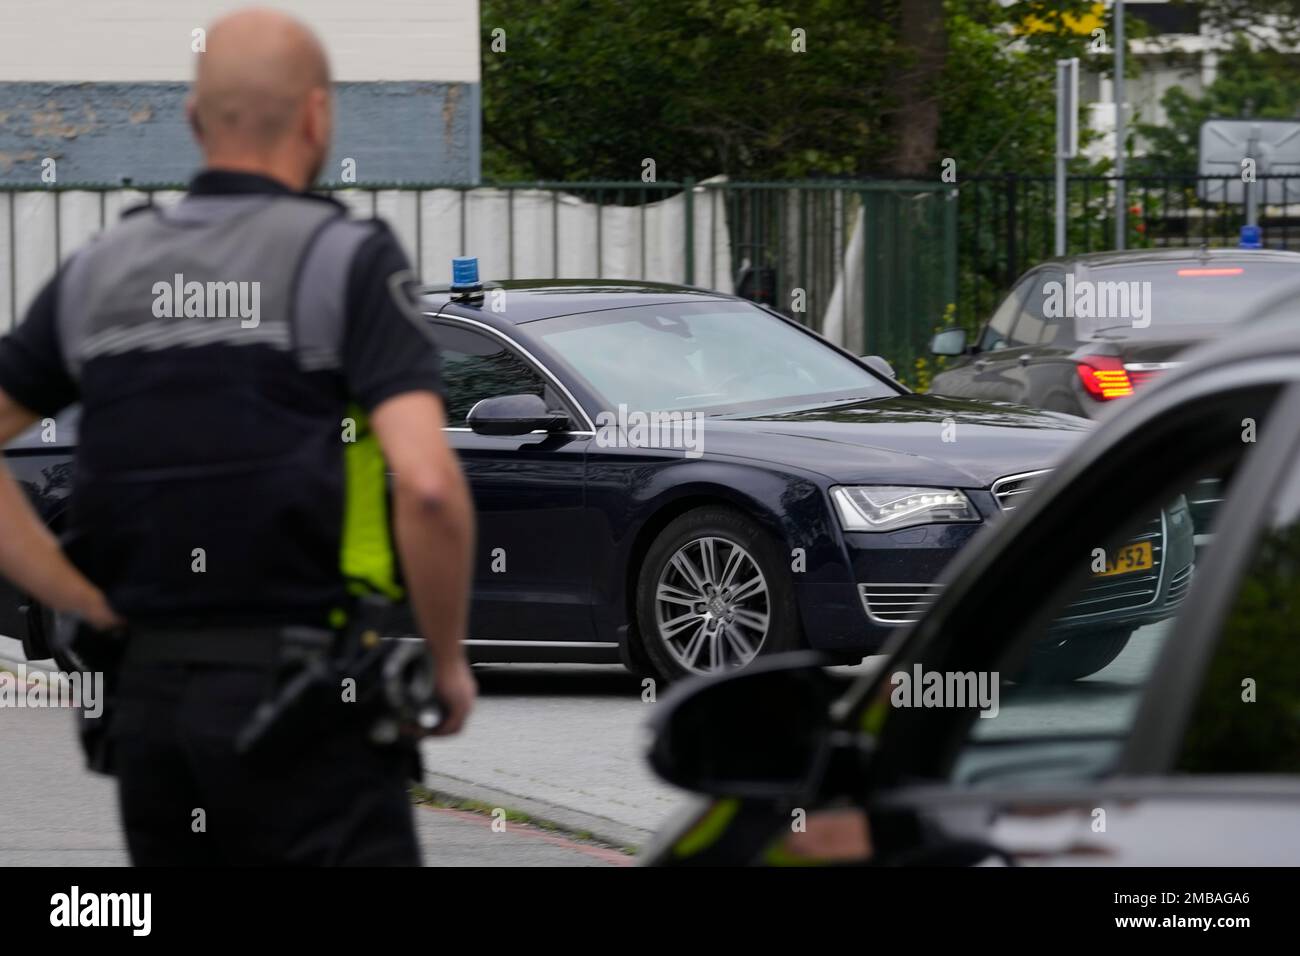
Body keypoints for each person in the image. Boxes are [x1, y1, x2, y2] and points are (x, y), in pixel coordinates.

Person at [0, 7, 477, 865]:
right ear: (318, 115)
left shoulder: (102, 270)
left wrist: (79, 599)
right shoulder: (347, 262)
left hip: (149, 709)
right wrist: (447, 662)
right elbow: (430, 484)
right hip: (308, 707)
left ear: (192, 121)